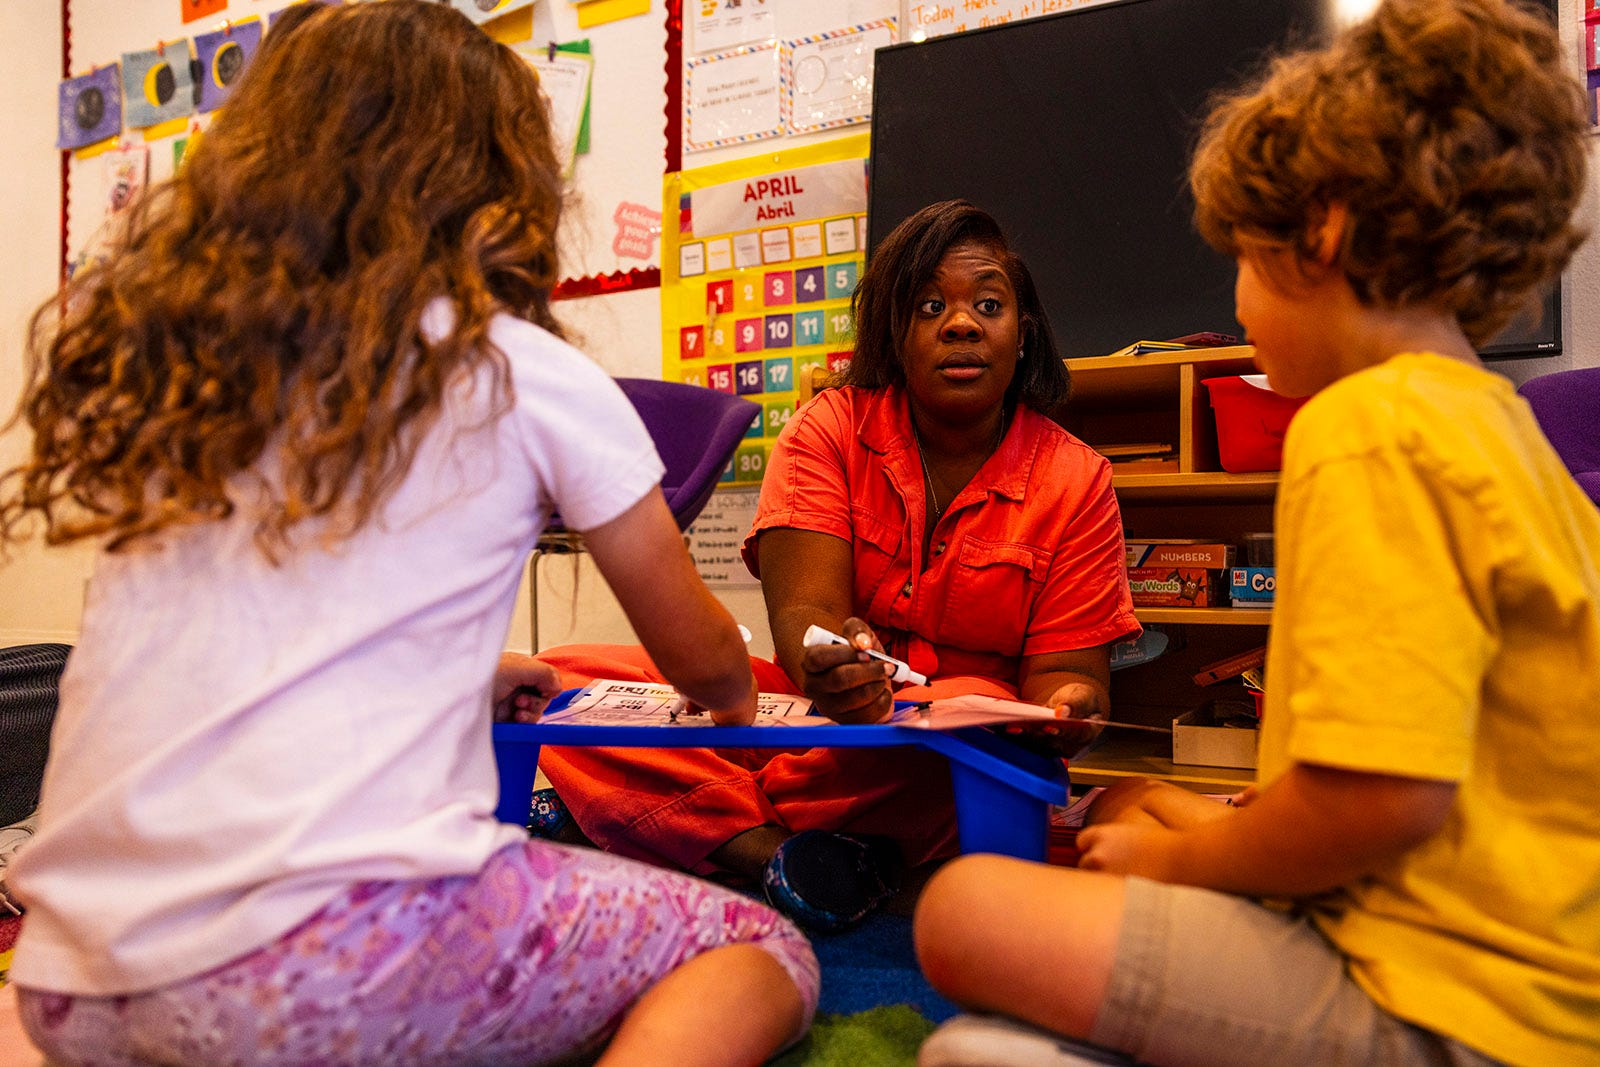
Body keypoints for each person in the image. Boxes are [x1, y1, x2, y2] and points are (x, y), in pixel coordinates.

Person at [0, 5, 817, 1065]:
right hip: (327, 967)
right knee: (760, 947)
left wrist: (468, 672)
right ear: (499, 184)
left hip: (69, 974)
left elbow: (262, 632)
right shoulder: (522, 368)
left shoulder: (190, 380)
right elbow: (700, 657)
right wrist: (733, 697)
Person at [912, 1, 1600, 1064]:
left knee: (965, 910)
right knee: (1130, 809)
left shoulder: (1366, 426)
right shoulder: (1506, 433)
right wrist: (1190, 830)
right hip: (1514, 964)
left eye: (1236, 256)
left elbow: (1379, 801)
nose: (1234, 306)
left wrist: (1174, 865)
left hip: (1446, 1002)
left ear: (1318, 230)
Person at [536, 199, 1140, 932]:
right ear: (893, 332)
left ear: (1025, 332)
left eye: (989, 304)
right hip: (813, 717)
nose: (961, 324)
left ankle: (695, 823)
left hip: (934, 767)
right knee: (562, 677)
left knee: (970, 709)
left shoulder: (1077, 478)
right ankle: (784, 856)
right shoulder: (828, 428)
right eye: (929, 307)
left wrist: (1071, 704)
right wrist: (830, 664)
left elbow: (1066, 680)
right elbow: (804, 617)